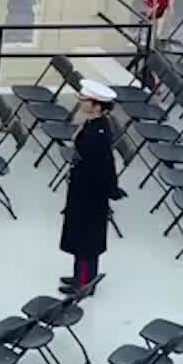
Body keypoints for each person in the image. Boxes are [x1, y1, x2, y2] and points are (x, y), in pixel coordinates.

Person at [60, 80, 124, 292]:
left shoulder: (98, 134)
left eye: (86, 100)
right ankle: (80, 275)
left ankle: (84, 283)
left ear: (97, 105)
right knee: (80, 236)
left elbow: (104, 165)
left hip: (90, 194)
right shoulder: (92, 124)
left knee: (86, 240)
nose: (82, 103)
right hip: (83, 189)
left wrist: (111, 189)